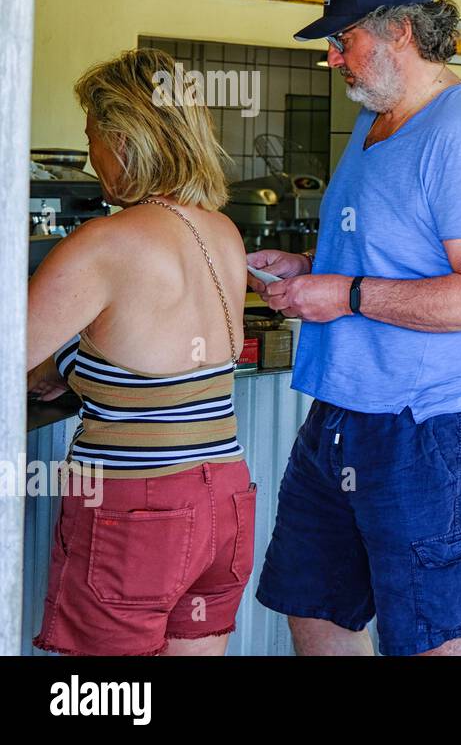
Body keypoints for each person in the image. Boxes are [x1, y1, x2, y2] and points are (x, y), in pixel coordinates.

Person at [249, 0, 461, 657]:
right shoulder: (377, 122)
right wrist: (312, 268)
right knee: (313, 607)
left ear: (400, 30)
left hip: (430, 430)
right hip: (341, 414)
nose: (335, 59)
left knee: (432, 636)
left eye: (345, 41)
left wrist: (346, 294)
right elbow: (393, 255)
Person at [27, 48, 254, 656]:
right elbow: (152, 351)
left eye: (91, 137)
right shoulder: (221, 231)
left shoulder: (104, 242)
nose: (91, 156)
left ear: (123, 141)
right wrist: (70, 367)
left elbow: (8, 353)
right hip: (224, 501)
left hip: (138, 508)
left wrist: (50, 366)